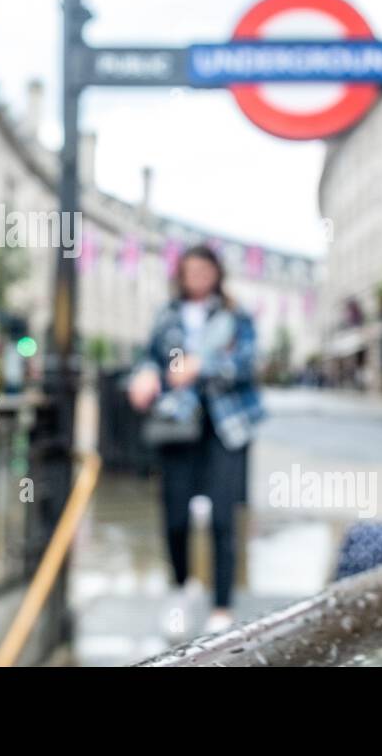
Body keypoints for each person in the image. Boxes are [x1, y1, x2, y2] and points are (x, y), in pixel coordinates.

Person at [127, 245, 263, 634]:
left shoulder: (235, 317)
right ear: (182, 275)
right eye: (192, 269)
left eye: (206, 269)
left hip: (226, 425)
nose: (199, 275)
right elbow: (151, 358)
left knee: (223, 518)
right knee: (174, 519)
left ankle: (222, 604)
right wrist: (146, 375)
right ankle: (181, 588)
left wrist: (203, 365)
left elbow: (250, 362)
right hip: (177, 424)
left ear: (217, 273)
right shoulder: (167, 315)